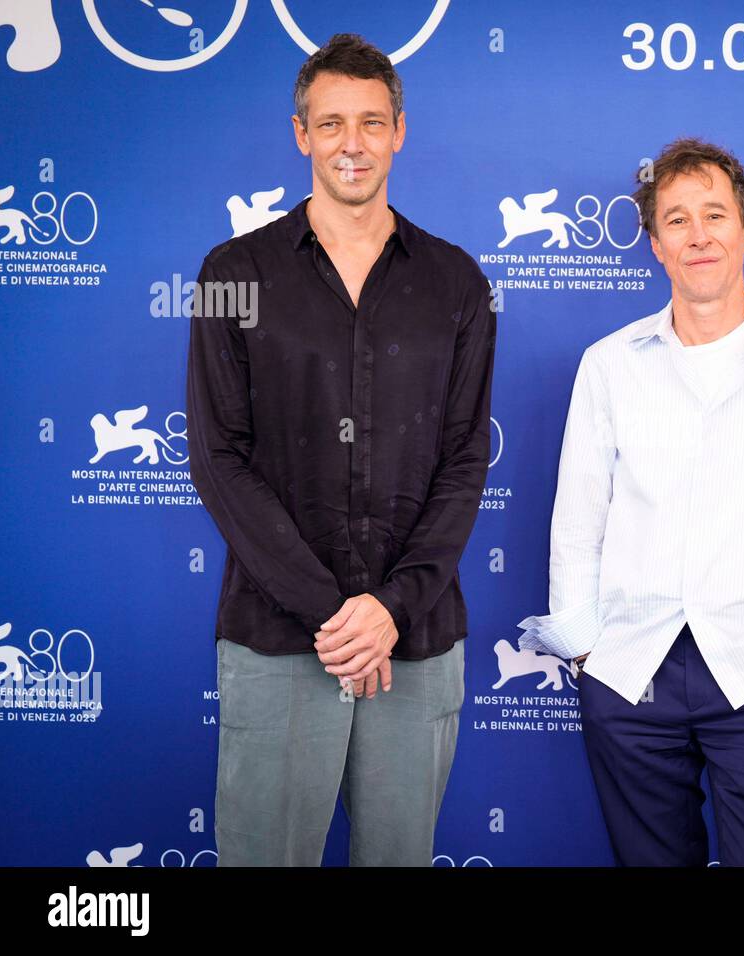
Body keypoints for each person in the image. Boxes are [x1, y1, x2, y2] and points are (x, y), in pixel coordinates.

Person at [518, 138, 744, 866]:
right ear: (655, 245)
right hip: (628, 669)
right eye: (677, 220)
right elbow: (578, 517)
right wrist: (586, 645)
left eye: (715, 214)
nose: (699, 235)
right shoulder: (610, 364)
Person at [186, 34, 495, 866]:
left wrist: (390, 609)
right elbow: (218, 457)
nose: (350, 144)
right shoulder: (232, 270)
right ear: (300, 135)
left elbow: (466, 460)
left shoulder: (457, 283)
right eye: (330, 124)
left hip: (416, 641)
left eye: (369, 122)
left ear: (399, 130)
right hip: (280, 636)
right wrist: (334, 612)